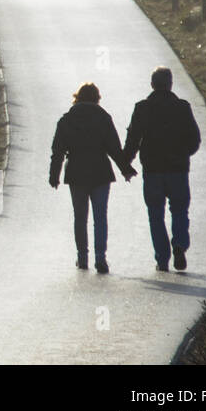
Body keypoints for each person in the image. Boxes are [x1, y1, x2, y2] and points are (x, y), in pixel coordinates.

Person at [49, 82, 136, 273]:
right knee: (100, 217)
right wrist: (125, 169)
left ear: (77, 98)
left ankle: (82, 257)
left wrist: (54, 175)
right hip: (100, 173)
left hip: (76, 173)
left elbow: (58, 151)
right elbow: (114, 148)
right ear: (97, 98)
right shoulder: (103, 117)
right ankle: (100, 258)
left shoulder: (66, 120)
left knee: (80, 217)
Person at [123, 67, 201, 272]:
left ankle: (162, 258)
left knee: (155, 215)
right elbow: (195, 139)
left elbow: (133, 140)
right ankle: (179, 245)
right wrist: (184, 154)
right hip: (178, 170)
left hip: (152, 170)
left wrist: (126, 164)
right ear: (170, 84)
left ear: (152, 85)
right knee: (180, 210)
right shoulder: (182, 107)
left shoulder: (142, 108)